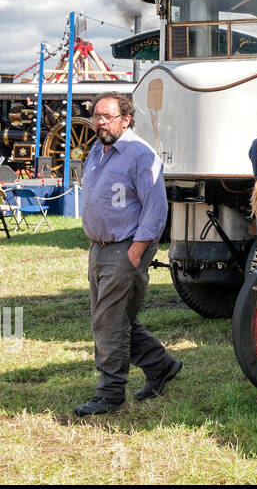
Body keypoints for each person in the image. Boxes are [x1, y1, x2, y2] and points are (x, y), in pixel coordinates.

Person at [73, 92, 181, 416]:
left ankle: (110, 394)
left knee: (108, 323)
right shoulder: (98, 149)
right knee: (116, 319)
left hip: (125, 249)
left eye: (107, 116)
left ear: (126, 119)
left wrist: (134, 253)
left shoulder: (139, 154)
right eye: (97, 116)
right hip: (100, 249)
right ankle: (161, 366)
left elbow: (156, 209)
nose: (100, 122)